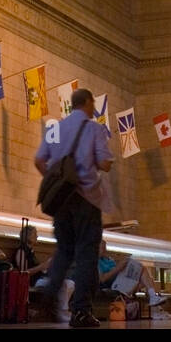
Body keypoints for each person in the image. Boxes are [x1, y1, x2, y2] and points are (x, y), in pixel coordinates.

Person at [34, 87, 113, 329]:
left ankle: (47, 301)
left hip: (61, 201)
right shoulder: (94, 128)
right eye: (92, 104)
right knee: (87, 255)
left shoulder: (55, 128)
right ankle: (81, 311)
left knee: (64, 251)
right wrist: (102, 163)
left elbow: (39, 160)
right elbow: (104, 163)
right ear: (88, 103)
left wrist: (57, 181)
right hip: (86, 200)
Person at [97, 240, 171, 317]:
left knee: (147, 278)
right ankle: (155, 303)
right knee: (142, 269)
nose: (104, 250)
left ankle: (155, 305)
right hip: (114, 284)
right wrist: (118, 267)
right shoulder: (95, 261)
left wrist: (121, 266)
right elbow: (102, 279)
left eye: (105, 247)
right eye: (102, 248)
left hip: (122, 281)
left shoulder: (108, 259)